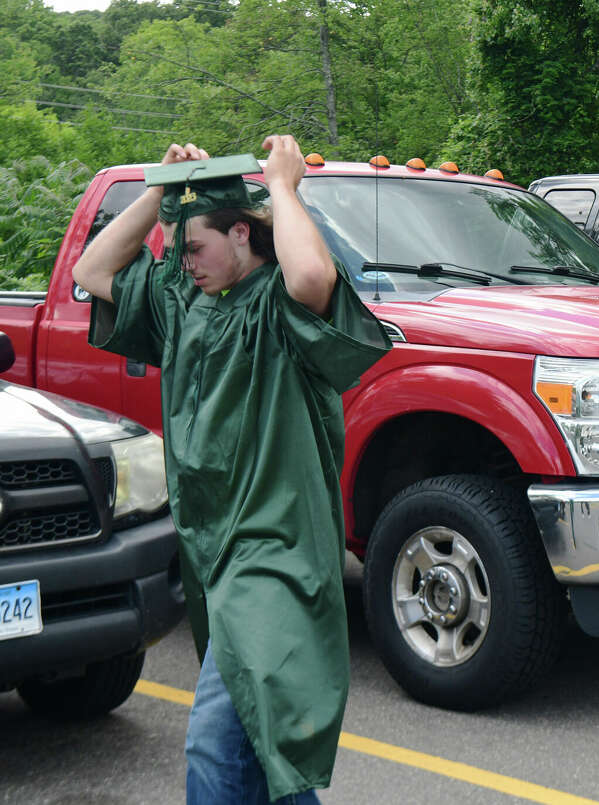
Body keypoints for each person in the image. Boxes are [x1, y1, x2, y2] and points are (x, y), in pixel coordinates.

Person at [73, 136, 391, 803]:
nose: (183, 262)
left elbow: (312, 280)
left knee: (217, 744)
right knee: (261, 739)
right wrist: (162, 191)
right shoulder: (184, 302)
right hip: (213, 552)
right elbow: (94, 269)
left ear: (241, 234)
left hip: (275, 552)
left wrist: (283, 186)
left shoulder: (279, 305)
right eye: (180, 251)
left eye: (195, 248)